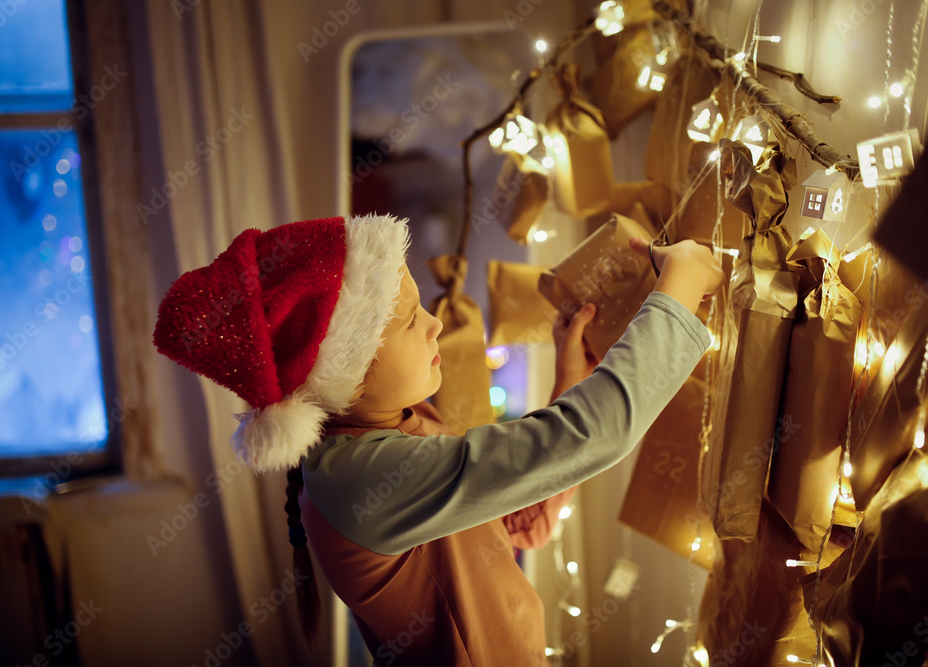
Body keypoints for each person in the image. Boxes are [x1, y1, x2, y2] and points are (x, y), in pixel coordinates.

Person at [153, 213, 724, 665]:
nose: (435, 324)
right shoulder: (359, 482)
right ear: (344, 372)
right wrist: (680, 286)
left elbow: (516, 523)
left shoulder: (400, 422)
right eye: (408, 320)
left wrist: (571, 380)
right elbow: (588, 437)